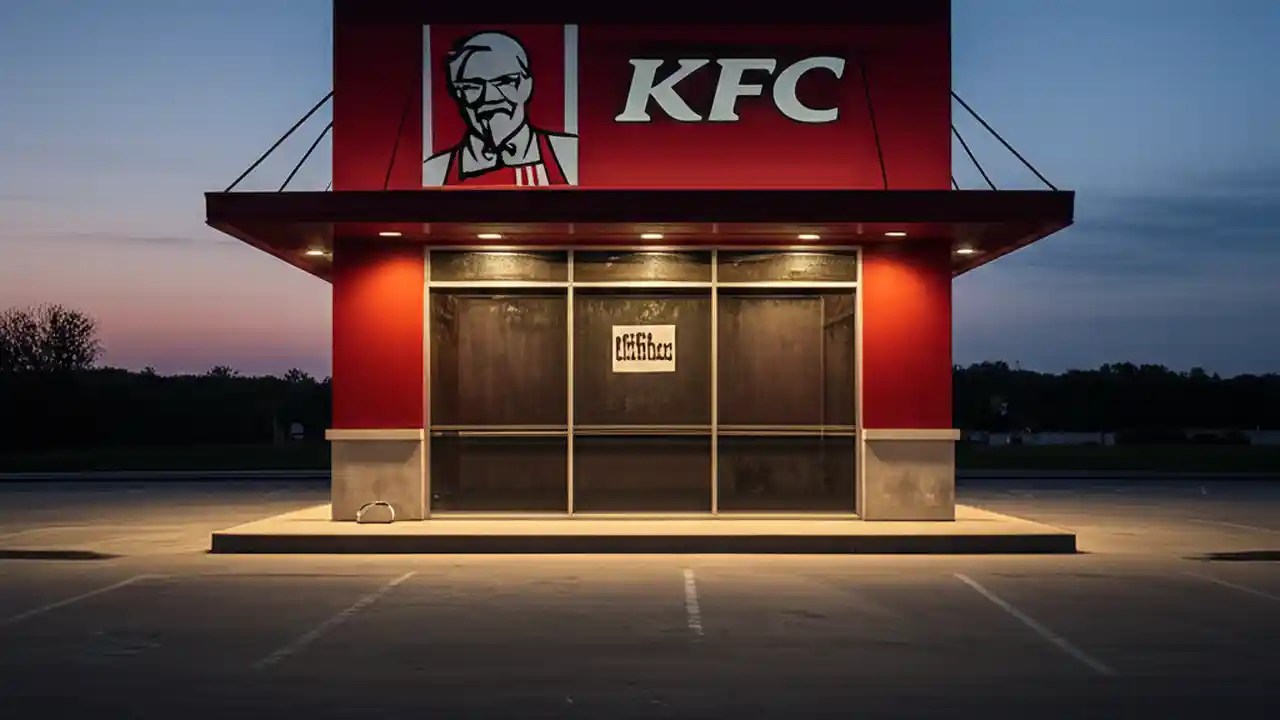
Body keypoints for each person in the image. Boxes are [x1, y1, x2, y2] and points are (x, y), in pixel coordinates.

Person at [424, 31, 578, 186]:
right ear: (458, 93)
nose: (490, 97)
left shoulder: (568, 153)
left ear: (527, 85)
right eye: (472, 86)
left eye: (504, 81)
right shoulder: (435, 171)